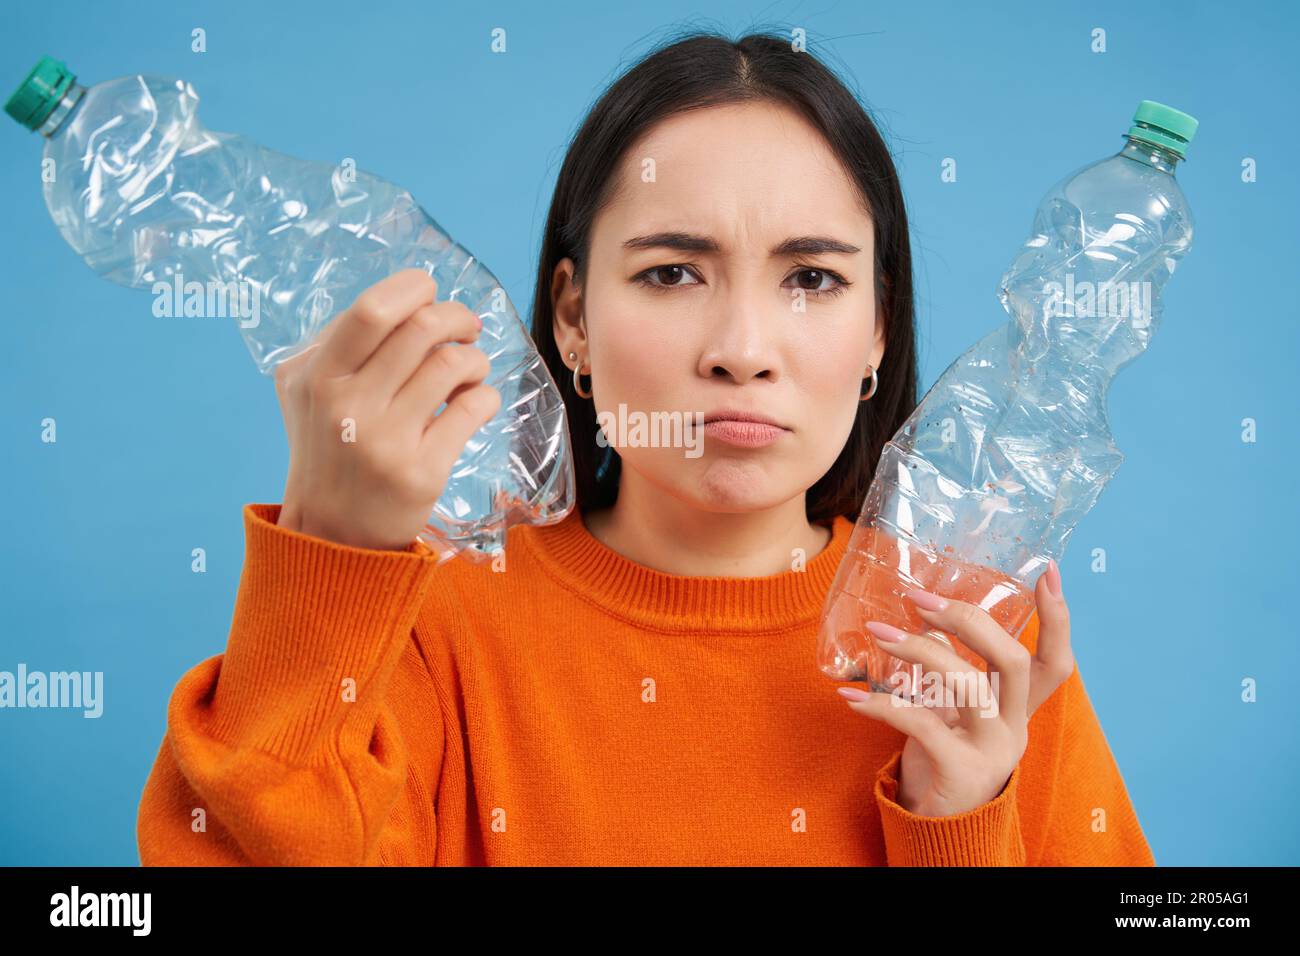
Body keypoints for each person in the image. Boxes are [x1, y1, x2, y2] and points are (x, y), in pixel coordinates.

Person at [136, 29, 1155, 866]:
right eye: (673, 272)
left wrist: (959, 826)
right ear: (572, 318)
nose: (741, 351)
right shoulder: (436, 627)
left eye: (811, 278)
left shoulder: (964, 647)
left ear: (878, 330)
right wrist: (326, 557)